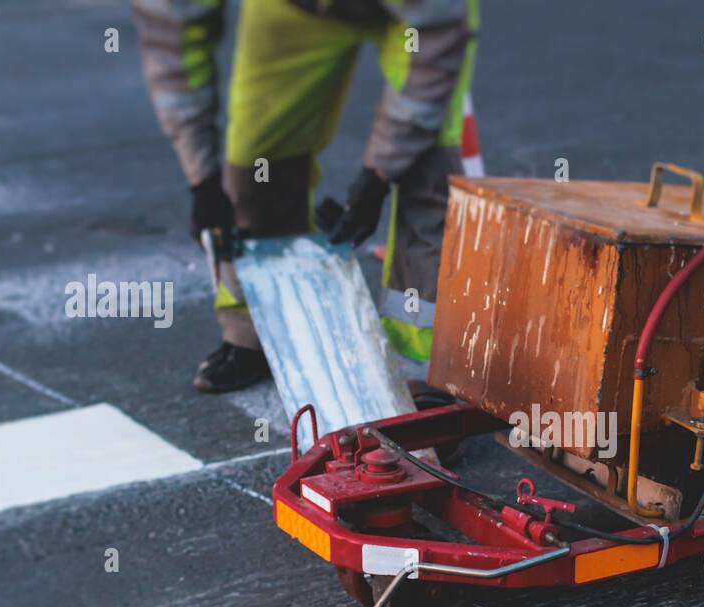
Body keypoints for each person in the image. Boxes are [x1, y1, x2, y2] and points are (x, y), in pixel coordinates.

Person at [131, 0, 478, 392]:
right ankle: (258, 328)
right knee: (257, 166)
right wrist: (203, 180)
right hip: (293, 8)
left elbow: (435, 38)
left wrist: (379, 174)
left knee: (427, 170)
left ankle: (422, 374)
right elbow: (171, 43)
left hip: (421, 20)